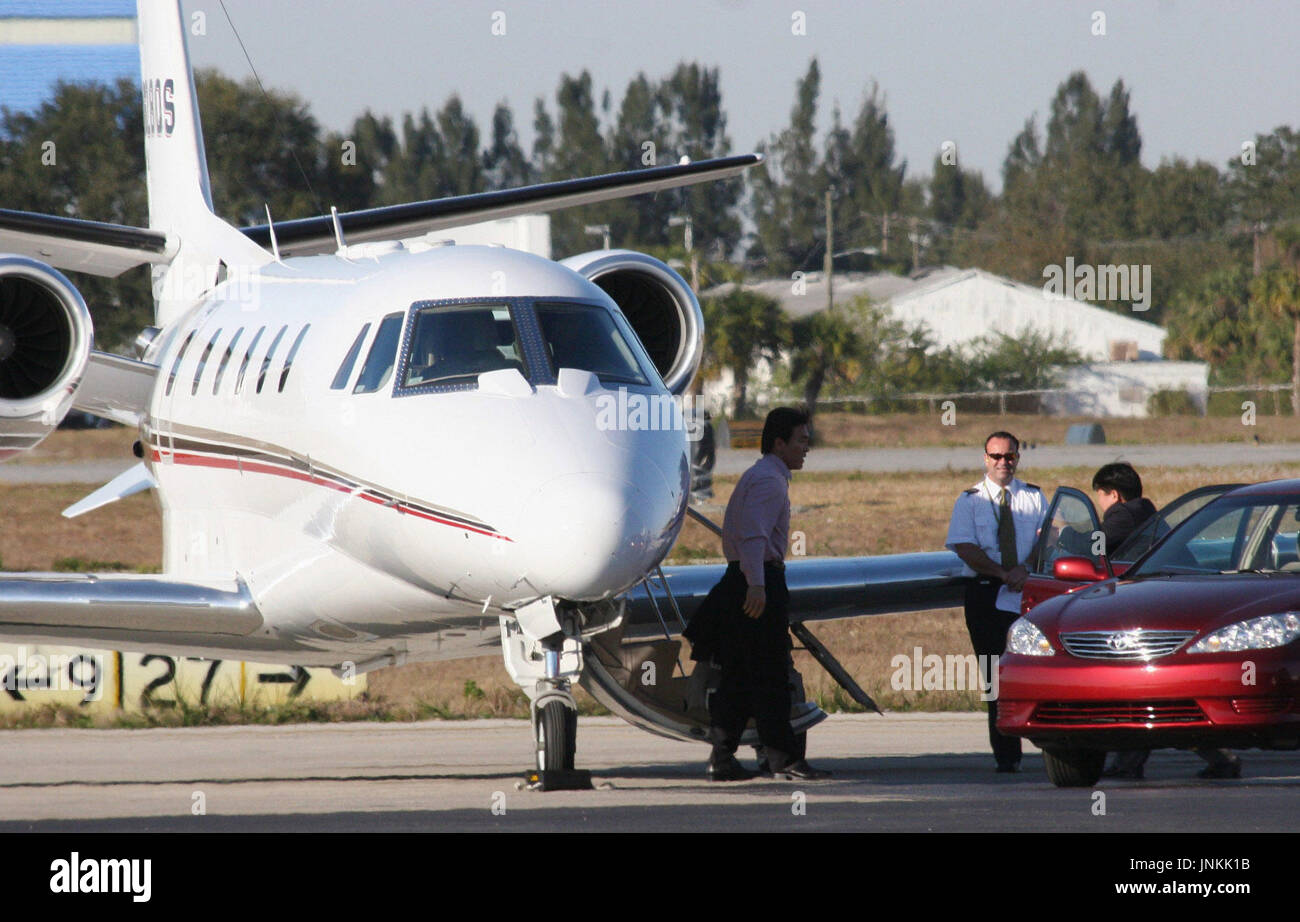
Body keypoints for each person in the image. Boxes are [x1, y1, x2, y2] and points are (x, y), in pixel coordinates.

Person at [685, 406, 830, 782]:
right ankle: (784, 760)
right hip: (756, 579)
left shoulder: (763, 475)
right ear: (779, 443)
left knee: (739, 675)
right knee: (769, 673)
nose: (806, 448)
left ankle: (723, 759)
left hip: (742, 579)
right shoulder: (769, 481)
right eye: (800, 440)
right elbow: (753, 537)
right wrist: (758, 586)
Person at [1091, 463, 1244, 781]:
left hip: (1146, 614)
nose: (1100, 505)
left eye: (1100, 497)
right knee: (1164, 698)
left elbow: (1095, 546)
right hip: (1172, 607)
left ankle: (1129, 762)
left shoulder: (1122, 517)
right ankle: (1218, 758)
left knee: (1143, 694)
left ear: (1114, 495)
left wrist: (1063, 536)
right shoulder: (1147, 514)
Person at [946, 431, 1046, 773]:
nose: (1003, 462)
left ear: (1018, 458)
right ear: (985, 458)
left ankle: (1053, 743)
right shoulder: (970, 500)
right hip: (986, 592)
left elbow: (1046, 539)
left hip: (1026, 591)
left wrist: (1025, 568)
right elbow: (964, 546)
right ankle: (1007, 755)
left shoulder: (1033, 497)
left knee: (1037, 671)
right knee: (995, 674)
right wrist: (1003, 573)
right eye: (996, 456)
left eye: (1010, 456)